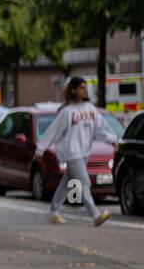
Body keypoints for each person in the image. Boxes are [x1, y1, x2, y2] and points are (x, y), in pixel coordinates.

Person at [35, 77, 120, 226]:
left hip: (84, 152)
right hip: (72, 153)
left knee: (68, 182)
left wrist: (111, 139)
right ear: (73, 90)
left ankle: (54, 211)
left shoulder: (90, 109)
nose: (84, 90)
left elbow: (101, 126)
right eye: (81, 87)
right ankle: (95, 215)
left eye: (85, 88)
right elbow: (53, 131)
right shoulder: (66, 112)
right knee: (84, 182)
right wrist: (41, 149)